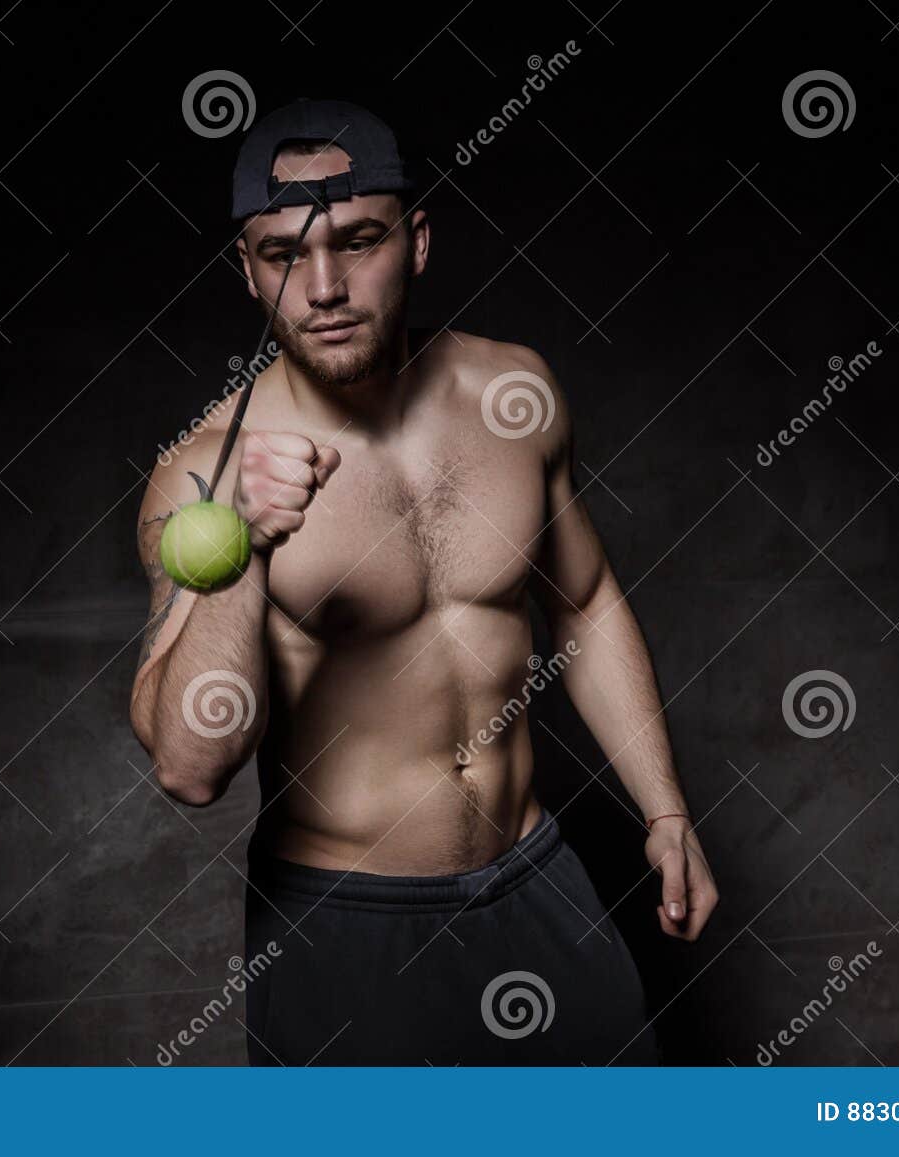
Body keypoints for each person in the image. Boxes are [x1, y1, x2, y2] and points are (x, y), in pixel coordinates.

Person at [129, 98, 717, 1065]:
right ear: (248, 270)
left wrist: (663, 808)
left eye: (358, 241)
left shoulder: (512, 396)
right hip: (344, 927)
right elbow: (189, 768)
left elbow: (583, 600)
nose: (323, 285)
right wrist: (244, 542)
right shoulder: (200, 472)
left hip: (535, 883)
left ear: (419, 241)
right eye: (283, 255)